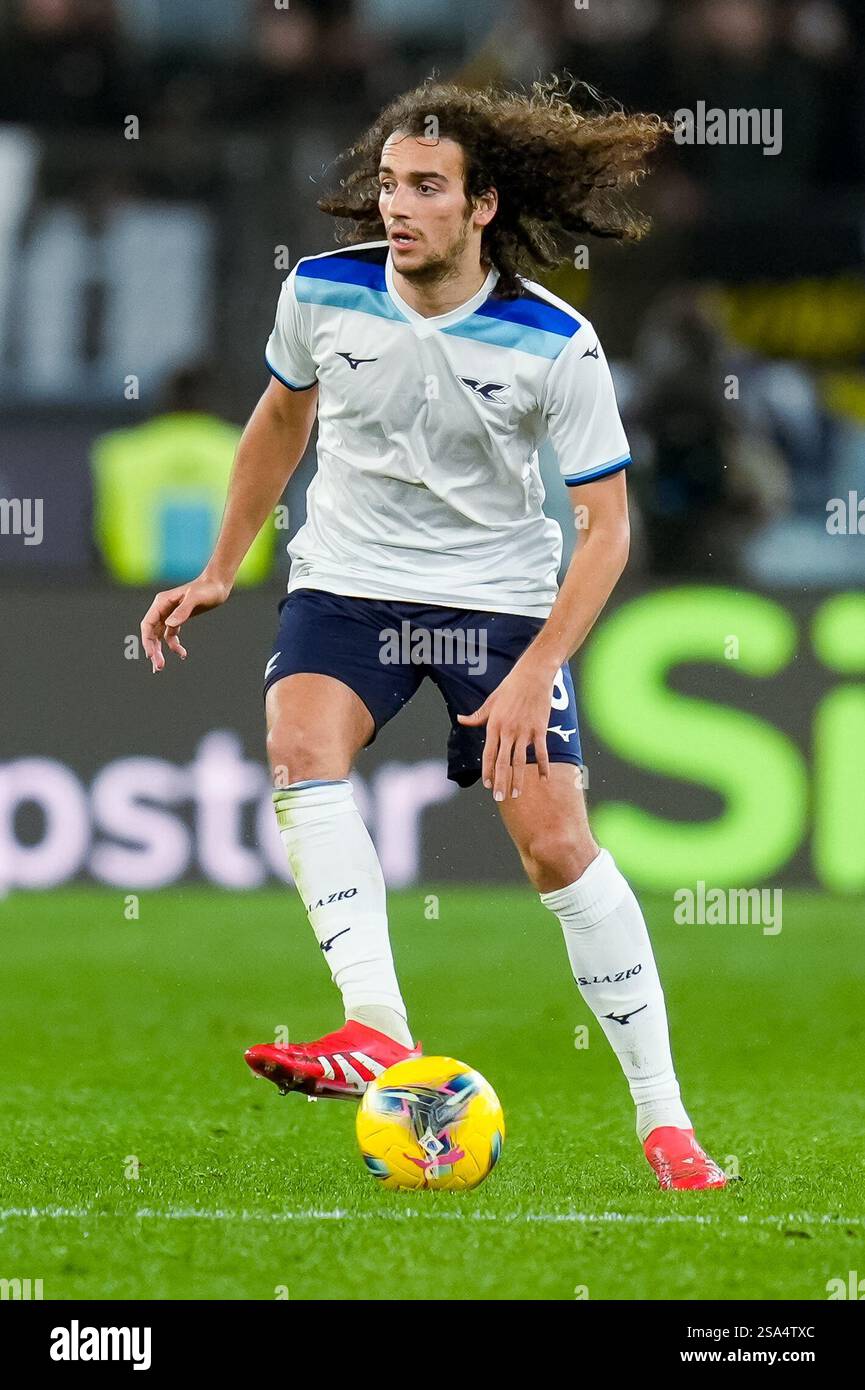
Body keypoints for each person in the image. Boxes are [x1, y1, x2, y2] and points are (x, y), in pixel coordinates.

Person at [140, 79, 726, 1190]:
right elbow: (280, 418)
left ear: (483, 206)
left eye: (424, 189)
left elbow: (606, 531)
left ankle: (666, 1120)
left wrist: (535, 670)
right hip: (348, 581)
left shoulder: (556, 343)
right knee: (298, 743)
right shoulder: (321, 293)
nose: (395, 208)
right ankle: (375, 1028)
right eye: (388, 187)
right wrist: (225, 565)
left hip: (496, 602)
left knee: (554, 843)